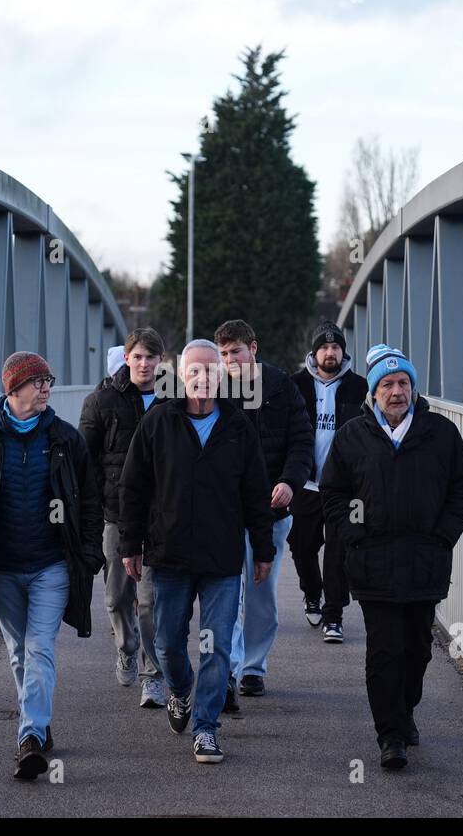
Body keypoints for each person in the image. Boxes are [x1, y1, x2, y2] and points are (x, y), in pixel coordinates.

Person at [0, 351, 104, 780]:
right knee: (18, 652)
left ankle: (29, 735)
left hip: (52, 565)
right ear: (13, 390)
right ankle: (39, 722)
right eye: (37, 381)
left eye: (48, 380)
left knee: (40, 647)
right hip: (2, 567)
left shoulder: (66, 440)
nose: (46, 387)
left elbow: (89, 502)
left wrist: (87, 554)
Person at [320, 344, 463, 770]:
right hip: (373, 562)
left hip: (425, 560)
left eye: (403, 383)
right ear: (373, 394)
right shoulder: (353, 435)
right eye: (387, 384)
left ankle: (405, 711)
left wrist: (443, 535)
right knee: (384, 649)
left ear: (413, 388)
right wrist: (354, 533)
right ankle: (390, 735)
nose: (396, 392)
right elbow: (333, 492)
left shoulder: (440, 434)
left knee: (417, 650)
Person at [118, 340, 274, 764]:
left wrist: (263, 548)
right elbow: (133, 488)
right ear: (180, 375)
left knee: (216, 645)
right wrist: (130, 544)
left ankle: (206, 727)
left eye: (211, 370)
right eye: (195, 370)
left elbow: (256, 494)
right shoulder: (158, 422)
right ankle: (181, 690)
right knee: (166, 642)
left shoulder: (239, 427)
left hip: (221, 558)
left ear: (221, 377)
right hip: (168, 556)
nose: (203, 377)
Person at [213, 319, 313, 707]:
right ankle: (230, 668)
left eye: (235, 351)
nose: (229, 359)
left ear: (252, 348)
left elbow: (302, 441)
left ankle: (254, 667)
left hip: (270, 510)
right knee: (225, 593)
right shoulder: (214, 389)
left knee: (260, 592)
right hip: (224, 510)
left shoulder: (281, 387)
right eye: (222, 354)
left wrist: (291, 482)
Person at [78, 327, 168, 707]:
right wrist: (99, 501)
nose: (144, 364)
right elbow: (85, 459)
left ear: (161, 361)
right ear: (126, 358)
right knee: (117, 597)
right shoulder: (102, 400)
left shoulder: (175, 398)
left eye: (151, 357)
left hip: (163, 516)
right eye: (138, 356)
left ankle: (154, 674)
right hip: (116, 514)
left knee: (151, 602)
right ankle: (127, 646)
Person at [288, 320, 368, 643]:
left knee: (339, 550)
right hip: (306, 483)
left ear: (343, 351)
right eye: (324, 347)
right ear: (314, 351)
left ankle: (333, 616)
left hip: (344, 487)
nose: (330, 352)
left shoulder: (360, 387)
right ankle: (312, 593)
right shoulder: (295, 385)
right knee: (301, 546)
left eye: (336, 347)